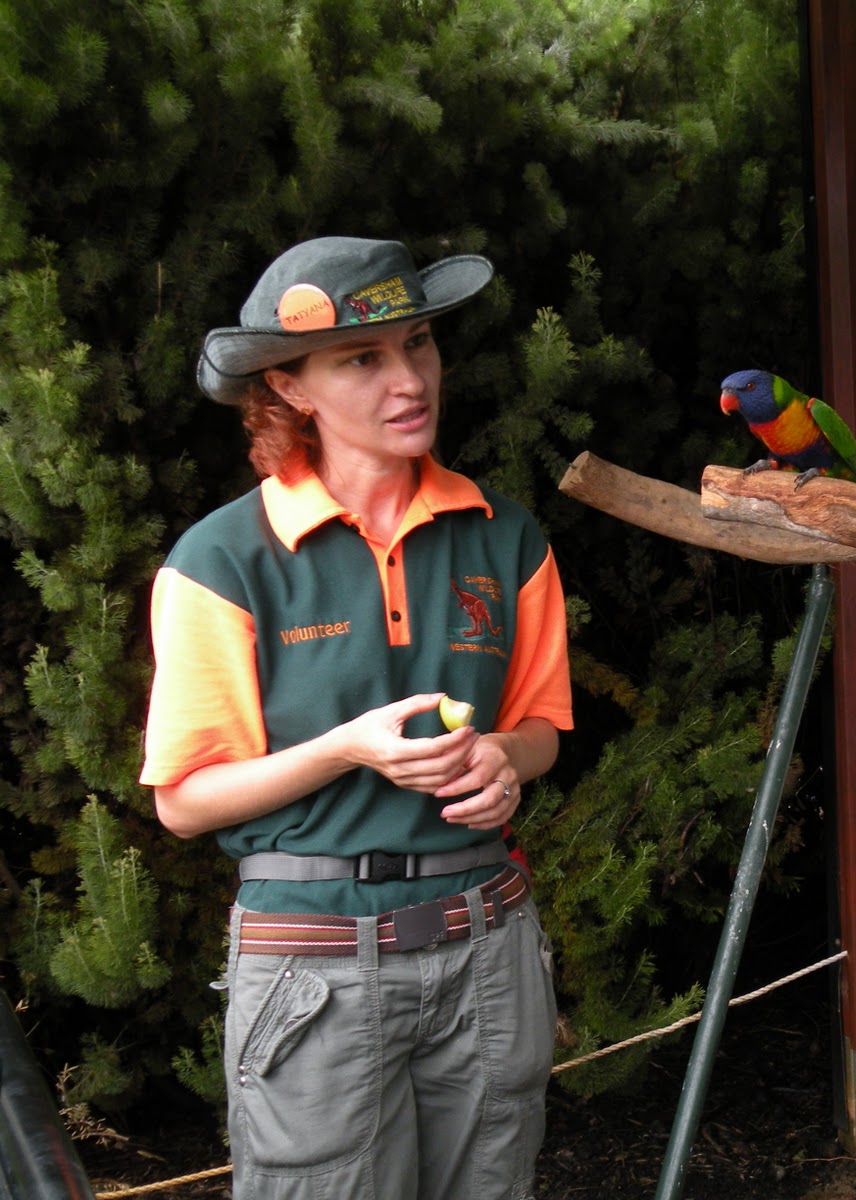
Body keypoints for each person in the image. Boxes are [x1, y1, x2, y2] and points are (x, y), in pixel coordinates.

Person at [139, 236, 573, 1199]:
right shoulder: (223, 561)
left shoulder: (507, 537)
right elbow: (185, 801)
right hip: (314, 971)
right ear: (291, 387)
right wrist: (345, 750)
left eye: (418, 343)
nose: (409, 379)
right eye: (363, 359)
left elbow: (541, 729)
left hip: (488, 945)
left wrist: (505, 755)